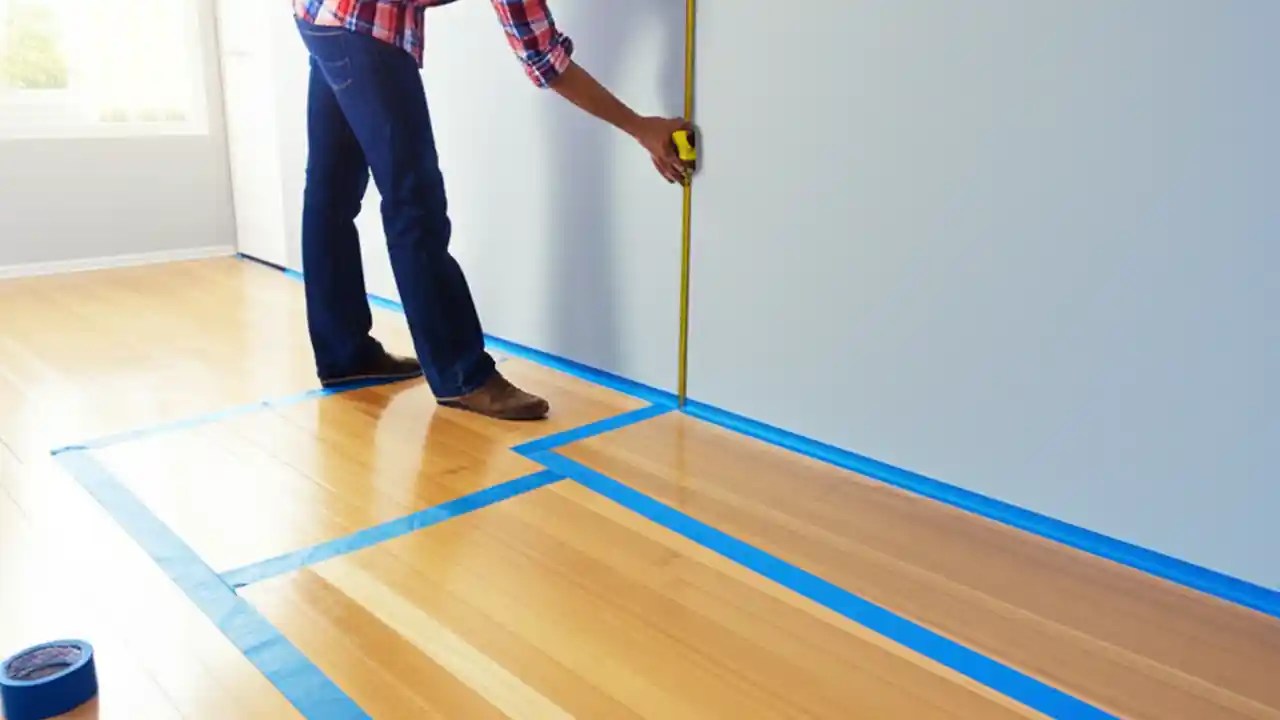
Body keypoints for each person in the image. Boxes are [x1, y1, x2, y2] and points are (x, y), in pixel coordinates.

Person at [292, 0, 691, 421]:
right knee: (414, 204)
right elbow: (544, 60)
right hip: (360, 24)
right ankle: (461, 374)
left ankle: (344, 353)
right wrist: (640, 126)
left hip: (321, 13)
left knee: (330, 192)